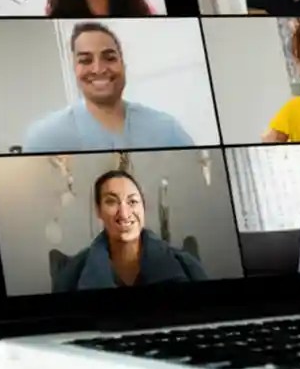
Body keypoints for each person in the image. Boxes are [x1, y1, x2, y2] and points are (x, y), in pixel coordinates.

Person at [22, 22, 195, 152]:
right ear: (75, 69)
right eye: (85, 60)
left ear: (123, 64)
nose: (98, 69)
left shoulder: (166, 130)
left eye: (109, 58)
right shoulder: (44, 138)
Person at [53, 170, 209, 292]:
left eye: (132, 201)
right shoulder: (72, 275)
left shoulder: (187, 266)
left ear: (143, 207)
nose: (124, 213)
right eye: (111, 202)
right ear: (98, 210)